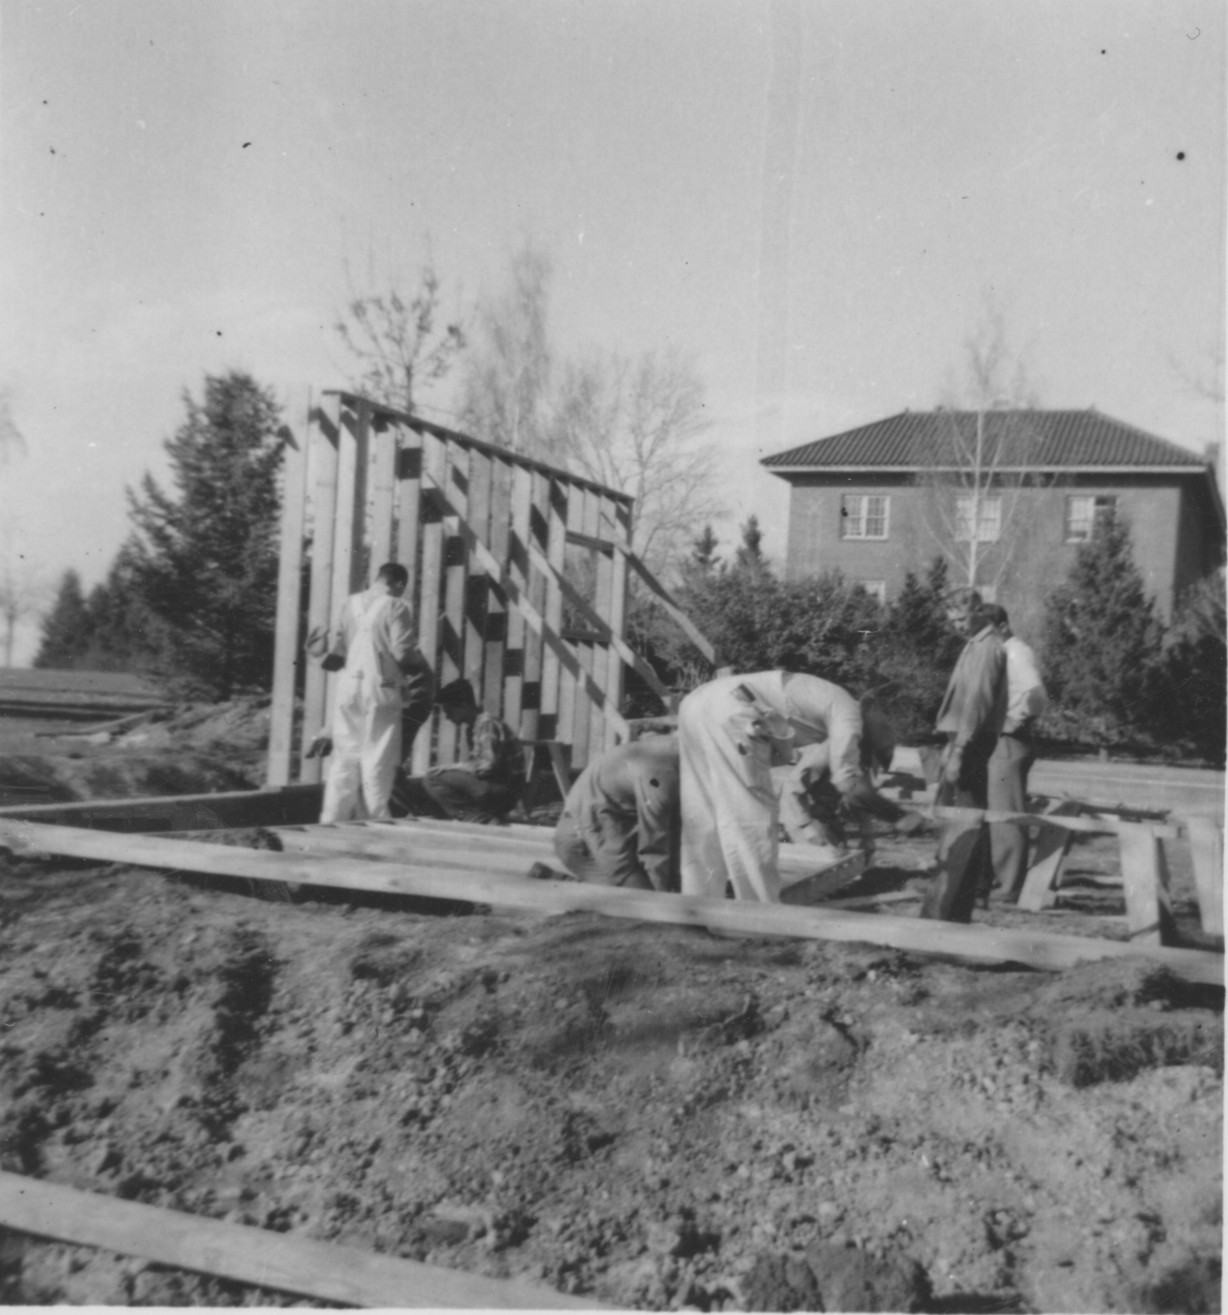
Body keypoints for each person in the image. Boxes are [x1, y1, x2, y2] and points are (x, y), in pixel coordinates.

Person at [677, 670, 877, 903]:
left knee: (702, 812)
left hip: (696, 703)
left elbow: (784, 750)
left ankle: (697, 907)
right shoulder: (848, 707)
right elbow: (846, 768)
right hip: (736, 710)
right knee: (750, 816)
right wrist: (874, 804)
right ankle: (757, 917)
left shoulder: (814, 698)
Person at [307, 562, 429, 824]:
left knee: (345, 756)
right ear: (399, 584)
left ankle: (332, 818)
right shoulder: (396, 607)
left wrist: (315, 654)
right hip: (381, 689)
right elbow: (402, 652)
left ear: (377, 578)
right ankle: (376, 817)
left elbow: (337, 658)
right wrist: (420, 665)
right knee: (378, 755)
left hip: (348, 689)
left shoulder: (348, 605)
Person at [920, 588, 1008, 922]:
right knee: (962, 818)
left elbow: (977, 705)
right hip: (962, 741)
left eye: (961, 618)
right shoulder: (974, 644)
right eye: (952, 621)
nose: (957, 626)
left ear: (979, 610)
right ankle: (957, 896)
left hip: (970, 744)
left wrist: (959, 750)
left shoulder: (987, 648)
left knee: (968, 821)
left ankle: (962, 900)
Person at [777, 696, 924, 858]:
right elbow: (792, 788)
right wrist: (806, 827)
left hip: (826, 814)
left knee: (840, 860)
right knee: (823, 864)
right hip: (801, 815)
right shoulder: (832, 746)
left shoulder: (864, 751)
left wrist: (868, 839)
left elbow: (858, 796)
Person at [551, 735, 681, 891]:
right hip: (581, 839)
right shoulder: (661, 774)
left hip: (618, 828)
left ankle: (566, 879)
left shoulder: (676, 749)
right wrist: (663, 899)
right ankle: (563, 882)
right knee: (641, 899)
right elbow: (654, 847)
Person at [983, 603, 1048, 902]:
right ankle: (995, 879)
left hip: (1009, 740)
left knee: (1005, 814)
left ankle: (1008, 886)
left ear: (1002, 627)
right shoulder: (1002, 650)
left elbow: (1035, 694)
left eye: (988, 632)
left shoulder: (1015, 652)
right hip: (997, 740)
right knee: (995, 812)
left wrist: (1014, 720)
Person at [404, 678, 524, 823]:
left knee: (433, 778)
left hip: (505, 790)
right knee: (423, 782)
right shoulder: (472, 728)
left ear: (464, 705)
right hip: (492, 787)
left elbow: (488, 765)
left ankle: (478, 819)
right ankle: (476, 815)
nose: (447, 717)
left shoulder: (487, 724)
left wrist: (449, 768)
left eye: (449, 711)